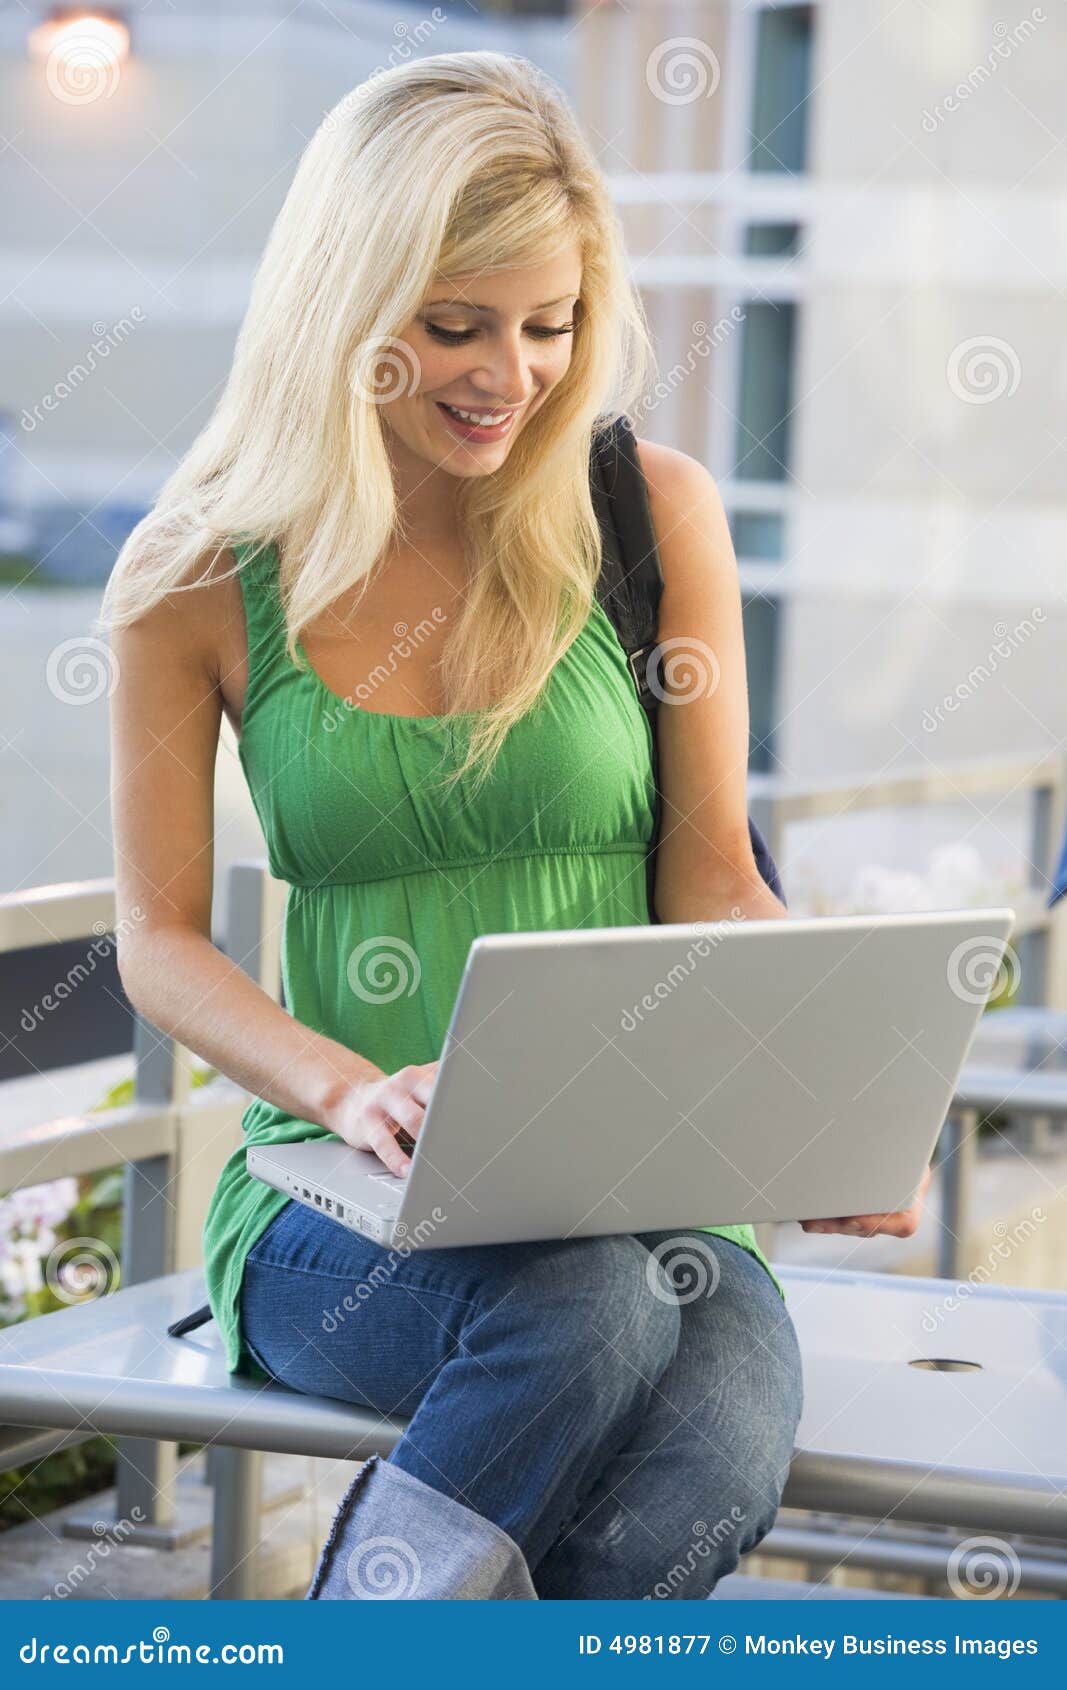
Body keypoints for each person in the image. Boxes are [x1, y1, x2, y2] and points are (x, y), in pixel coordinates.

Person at [100, 50, 928, 1600]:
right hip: (332, 1193)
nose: (514, 373)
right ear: (347, 310)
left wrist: (836, 1078)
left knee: (712, 1448)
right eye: (455, 326)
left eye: (552, 326)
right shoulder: (199, 573)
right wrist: (348, 1091)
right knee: (583, 1315)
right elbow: (154, 941)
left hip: (657, 1190)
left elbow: (715, 881)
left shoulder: (649, 513)